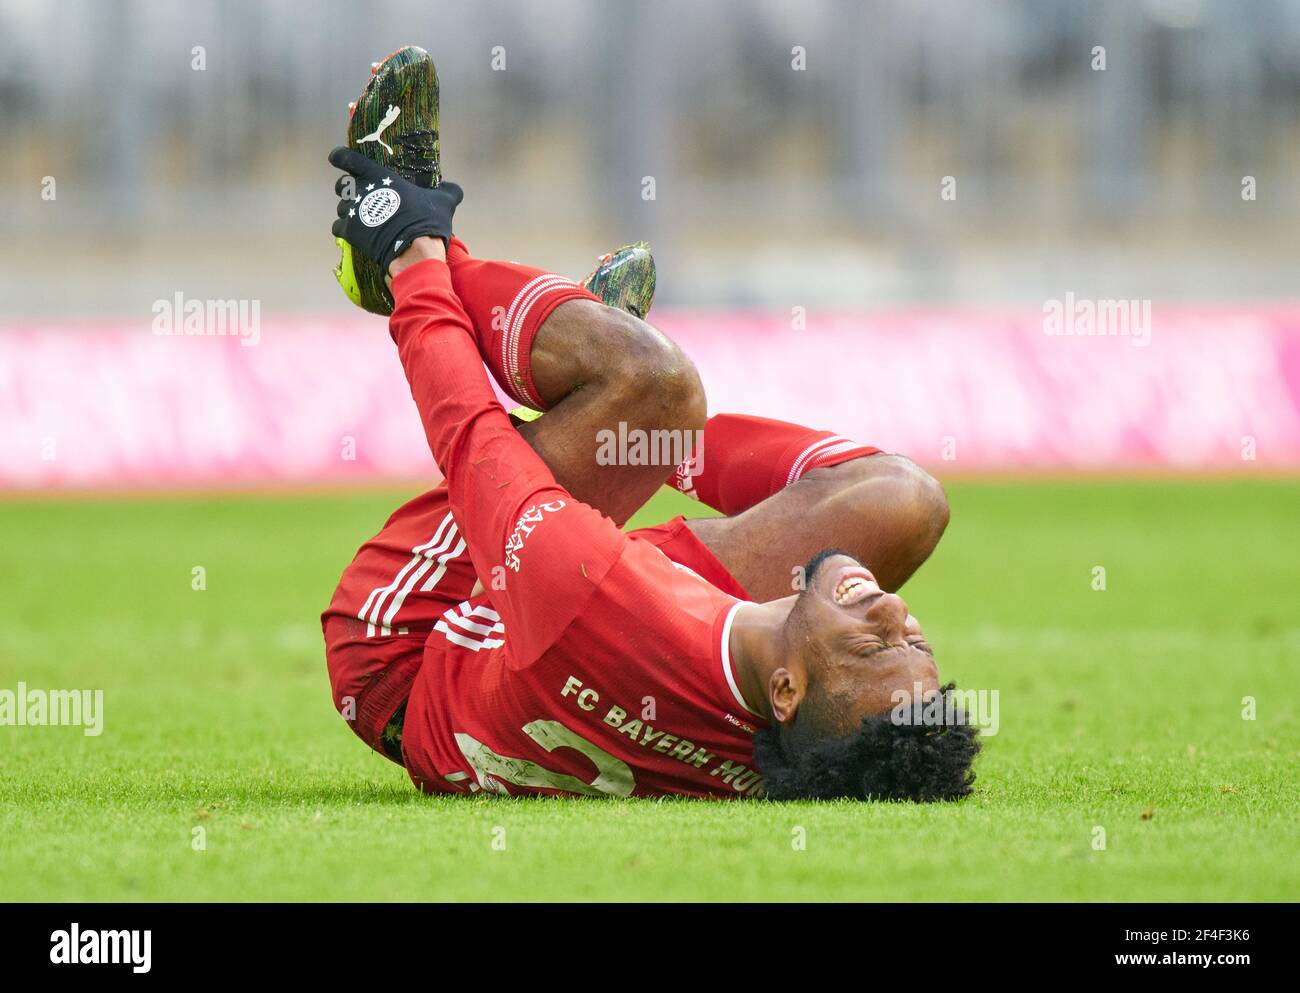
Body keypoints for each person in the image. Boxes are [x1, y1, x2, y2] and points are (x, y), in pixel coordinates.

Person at [322, 147, 980, 800]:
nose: (893, 609)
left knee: (654, 383)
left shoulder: (599, 606)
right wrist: (638, 442)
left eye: (871, 646)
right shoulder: (811, 748)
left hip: (411, 645)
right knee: (905, 502)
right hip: (605, 624)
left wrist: (416, 253)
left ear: (787, 692)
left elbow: (468, 436)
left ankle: (399, 238)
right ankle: (606, 418)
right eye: (913, 641)